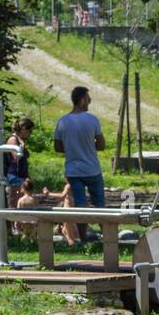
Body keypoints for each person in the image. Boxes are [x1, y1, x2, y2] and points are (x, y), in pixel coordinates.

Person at [53, 86, 105, 241]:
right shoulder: (92, 119)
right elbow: (102, 145)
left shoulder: (62, 122)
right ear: (82, 100)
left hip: (73, 171)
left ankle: (83, 239)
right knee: (100, 204)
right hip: (92, 169)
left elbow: (57, 147)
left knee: (80, 206)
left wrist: (72, 147)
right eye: (88, 99)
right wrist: (88, 144)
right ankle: (107, 237)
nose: (90, 101)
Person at [4, 117, 34, 207]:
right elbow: (16, 158)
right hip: (14, 177)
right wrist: (22, 146)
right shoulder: (13, 140)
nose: (29, 134)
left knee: (25, 204)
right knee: (16, 204)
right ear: (24, 129)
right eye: (30, 131)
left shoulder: (19, 140)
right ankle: (13, 221)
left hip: (22, 176)